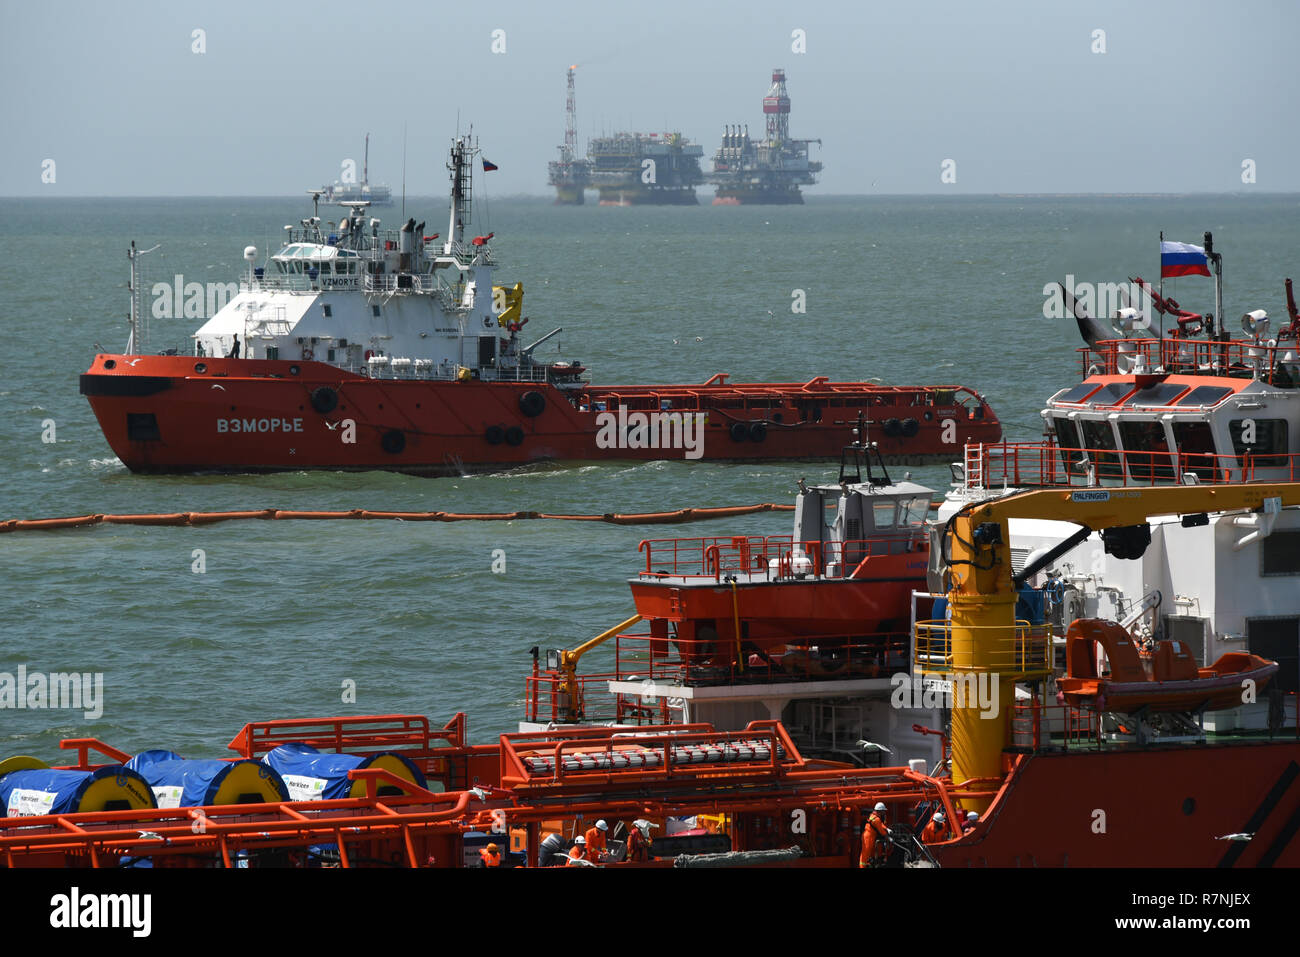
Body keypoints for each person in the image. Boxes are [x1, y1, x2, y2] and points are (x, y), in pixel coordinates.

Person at [860, 802, 889, 868]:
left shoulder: (873, 816)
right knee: (865, 854)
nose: (884, 812)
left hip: (869, 836)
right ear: (880, 811)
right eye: (883, 811)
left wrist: (887, 828)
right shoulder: (876, 819)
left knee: (869, 853)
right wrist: (887, 836)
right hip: (868, 837)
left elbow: (881, 825)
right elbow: (881, 831)